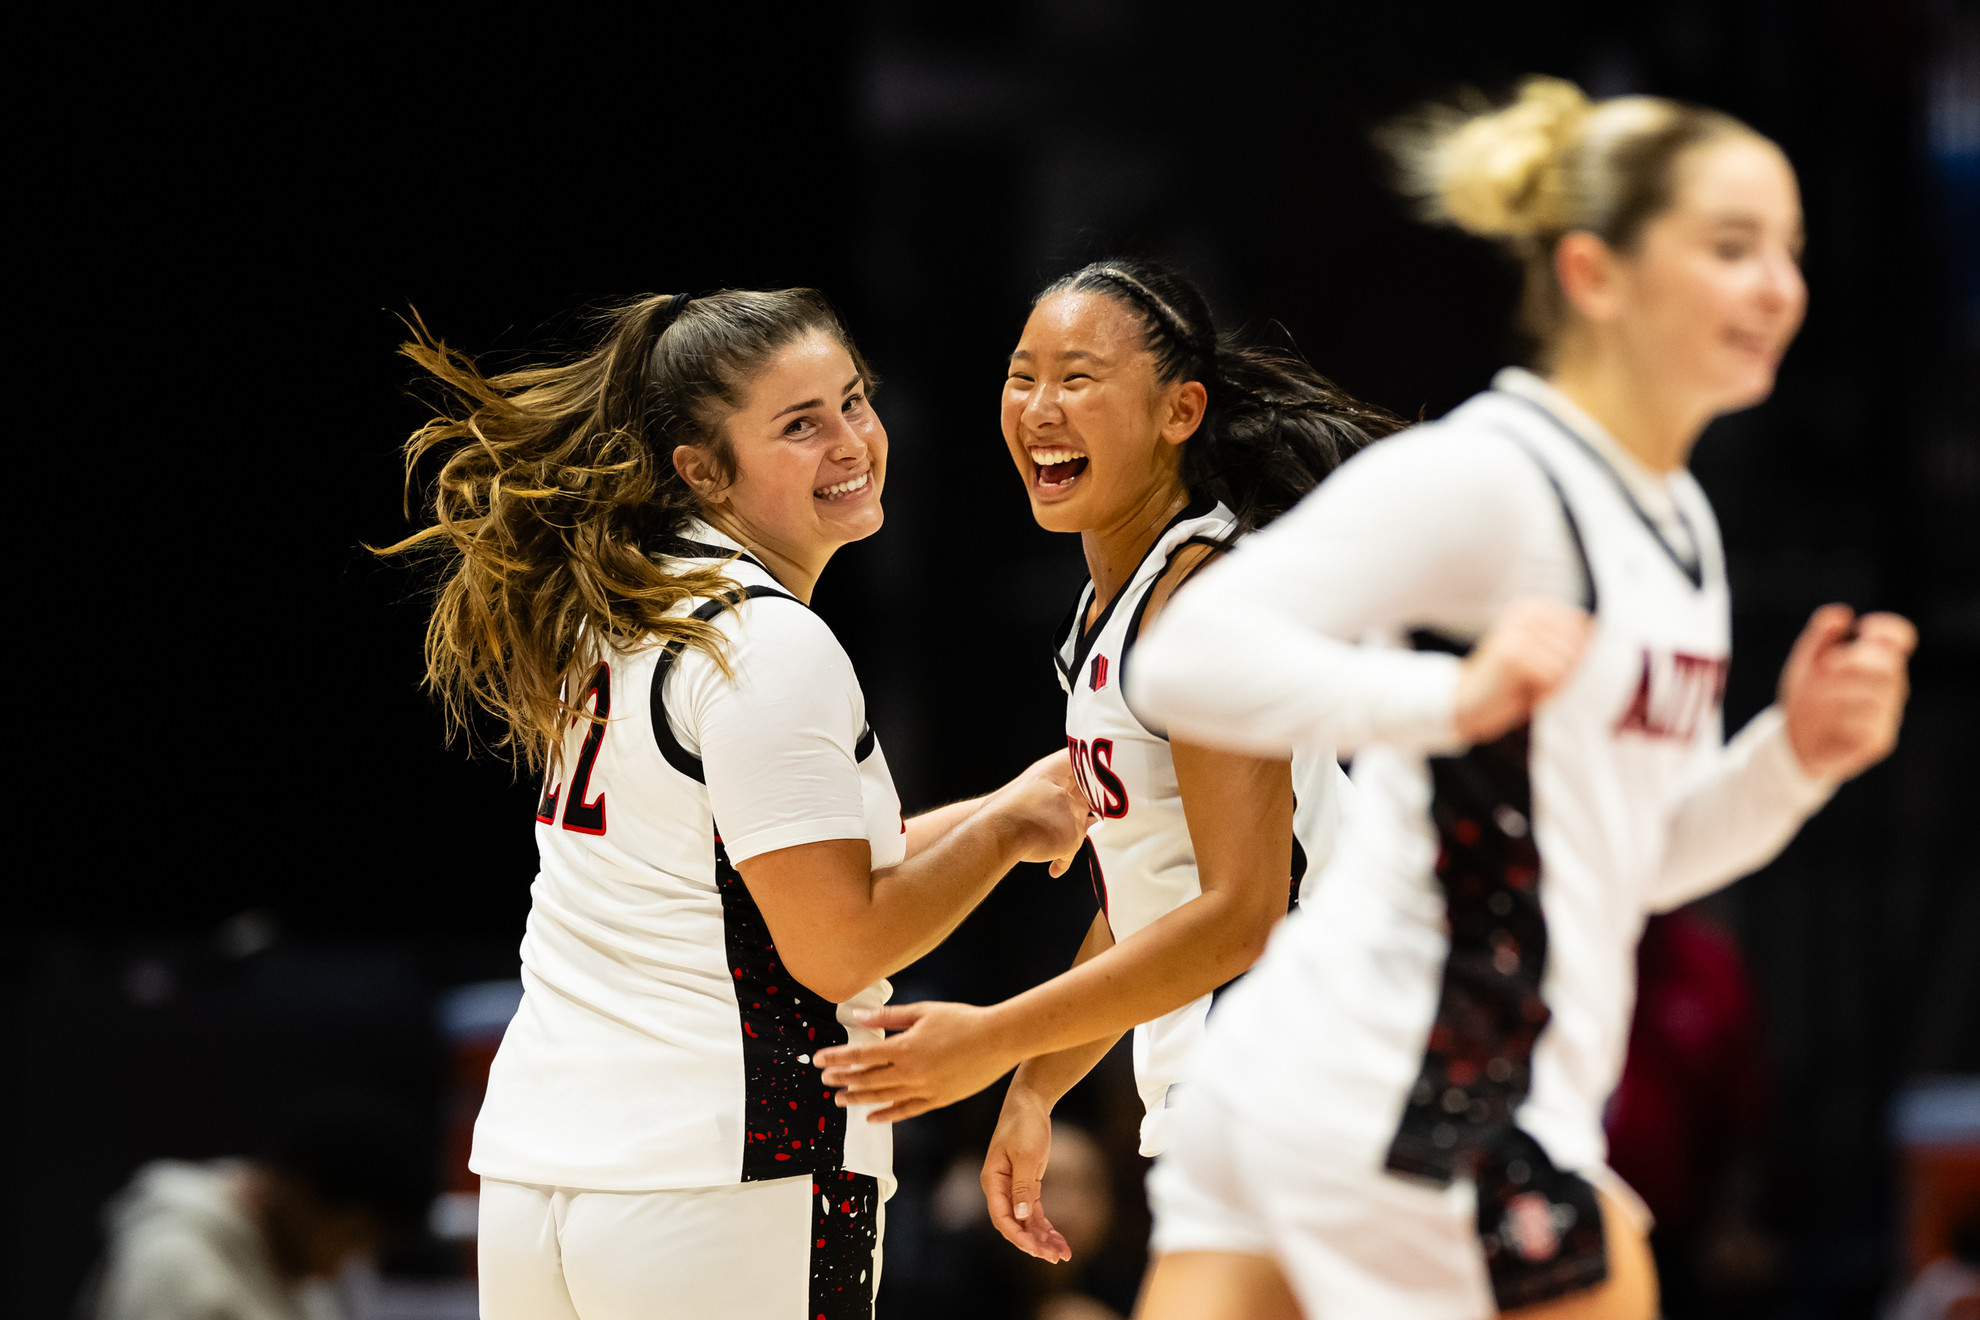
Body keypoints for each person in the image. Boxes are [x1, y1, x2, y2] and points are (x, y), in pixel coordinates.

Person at [1123, 78, 1916, 1320]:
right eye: (1730, 248)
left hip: (1320, 1081)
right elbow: (1186, 665)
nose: (1779, 287)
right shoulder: (1495, 475)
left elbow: (1629, 858)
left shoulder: (1678, 519)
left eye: (1790, 253)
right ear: (1594, 274)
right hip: (1410, 1089)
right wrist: (1445, 696)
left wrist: (1794, 759)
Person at [376, 289, 1093, 1320]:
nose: (852, 441)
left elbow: (762, 871)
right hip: (730, 1177)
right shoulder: (768, 641)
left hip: (548, 1175)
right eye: (800, 425)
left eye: (854, 401)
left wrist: (1000, 812)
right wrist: (1007, 832)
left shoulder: (628, 609)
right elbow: (837, 946)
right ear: (701, 468)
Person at [811, 259, 1402, 1261]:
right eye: (1021, 375)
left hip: (1308, 1077)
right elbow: (1153, 893)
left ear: (1181, 411)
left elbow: (1240, 915)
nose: (1040, 408)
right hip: (1248, 1091)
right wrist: (1039, 1079)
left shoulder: (1207, 603)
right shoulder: (1110, 608)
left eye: (1078, 378)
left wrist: (995, 1037)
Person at [86, 1100, 428, 1320]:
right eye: (349, 1238)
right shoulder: (175, 1262)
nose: (340, 1267)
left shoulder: (290, 1263)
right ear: (300, 1191)